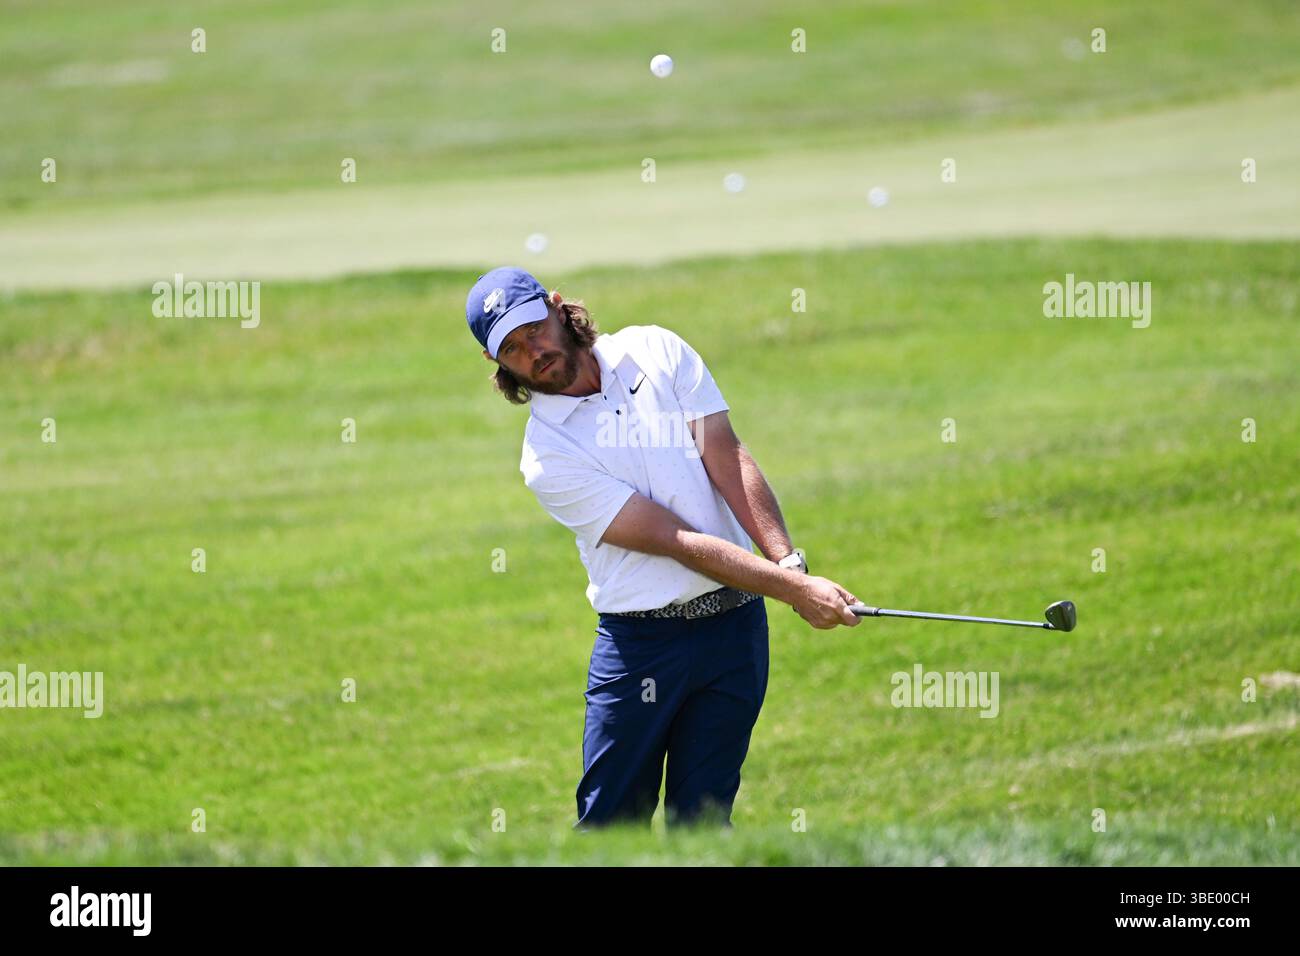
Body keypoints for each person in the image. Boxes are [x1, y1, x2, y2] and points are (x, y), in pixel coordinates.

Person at [464, 266, 862, 828]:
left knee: (701, 827)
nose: (534, 352)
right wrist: (796, 590)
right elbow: (674, 540)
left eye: (534, 329)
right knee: (609, 829)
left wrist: (788, 561)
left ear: (556, 307)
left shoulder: (656, 349)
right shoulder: (546, 456)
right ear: (497, 364)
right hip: (641, 648)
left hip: (734, 633)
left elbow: (725, 455)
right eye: (512, 348)